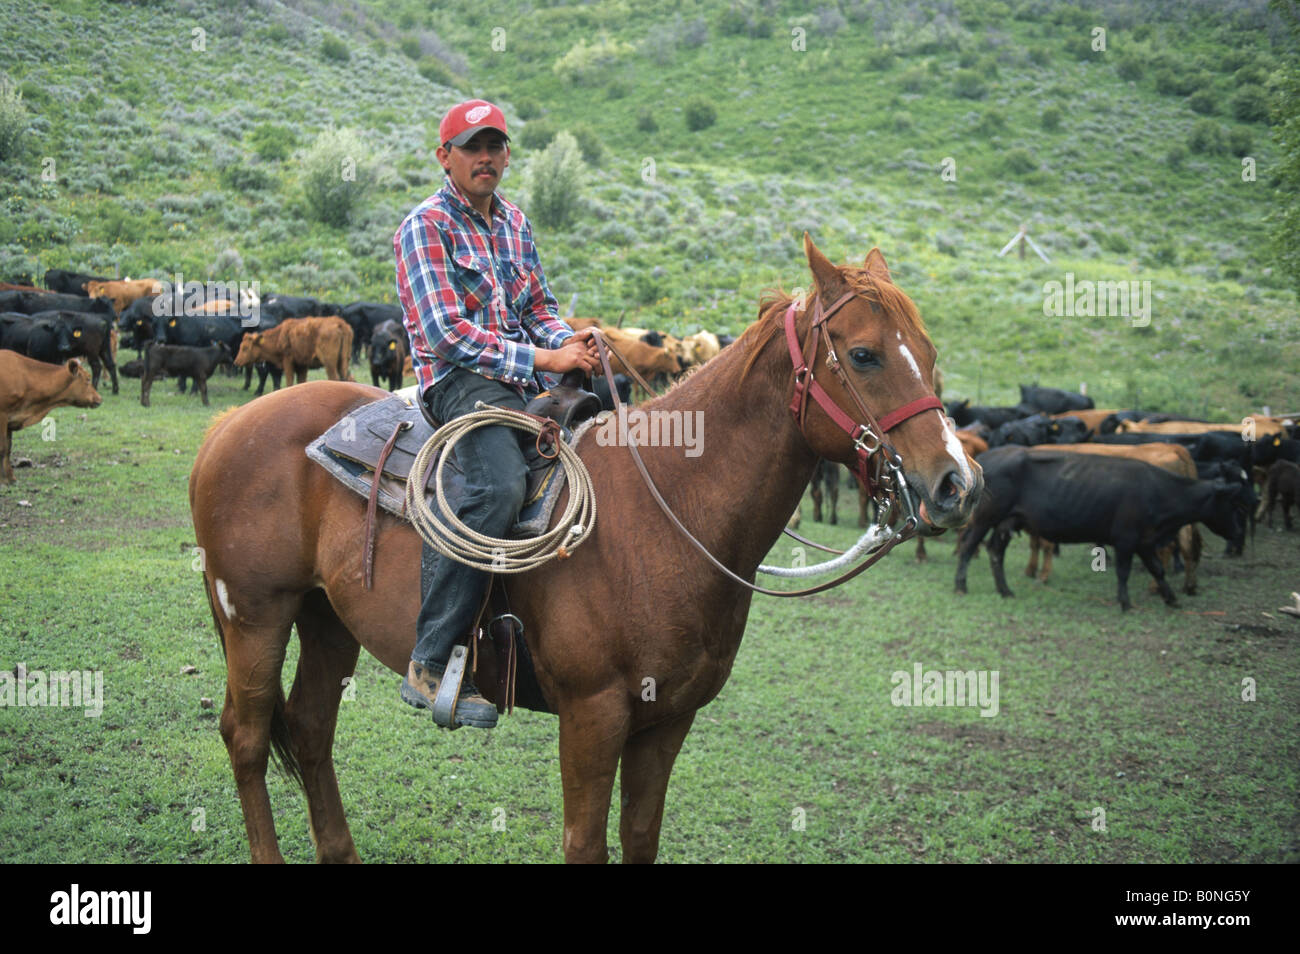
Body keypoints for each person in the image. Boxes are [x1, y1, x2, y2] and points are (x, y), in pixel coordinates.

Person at [393, 99, 599, 728]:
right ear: (445, 157)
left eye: (496, 147)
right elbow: (447, 334)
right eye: (472, 147)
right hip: (458, 382)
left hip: (517, 376)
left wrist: (571, 345)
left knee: (614, 434)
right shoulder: (424, 226)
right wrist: (543, 354)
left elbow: (539, 304)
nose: (487, 158)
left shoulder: (514, 223)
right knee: (501, 485)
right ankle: (428, 664)